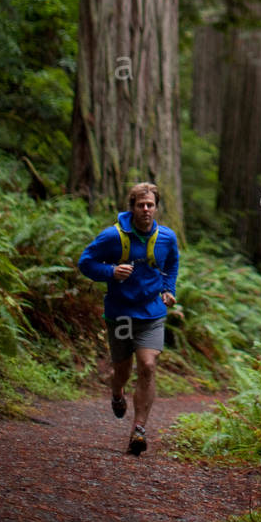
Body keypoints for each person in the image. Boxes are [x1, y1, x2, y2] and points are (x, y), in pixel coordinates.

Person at [78, 182, 179, 456]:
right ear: (132, 208)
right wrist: (111, 271)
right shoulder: (112, 236)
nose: (146, 210)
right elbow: (85, 262)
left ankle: (139, 429)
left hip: (152, 313)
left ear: (156, 207)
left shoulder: (167, 237)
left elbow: (171, 263)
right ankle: (117, 393)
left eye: (150, 205)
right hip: (120, 315)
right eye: (140, 205)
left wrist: (169, 289)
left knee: (147, 366)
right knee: (122, 370)